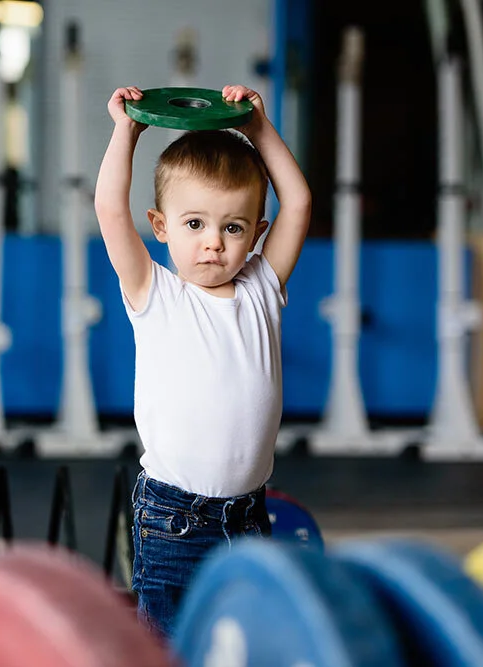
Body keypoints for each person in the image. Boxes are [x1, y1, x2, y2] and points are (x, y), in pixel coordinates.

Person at [94, 84, 312, 637]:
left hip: (248, 516)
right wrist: (127, 132)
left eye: (232, 227)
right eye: (194, 224)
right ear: (161, 226)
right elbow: (110, 211)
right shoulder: (155, 294)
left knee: (238, 644)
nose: (213, 242)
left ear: (257, 232)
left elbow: (299, 203)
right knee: (172, 646)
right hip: (174, 522)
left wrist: (258, 129)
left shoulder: (262, 288)